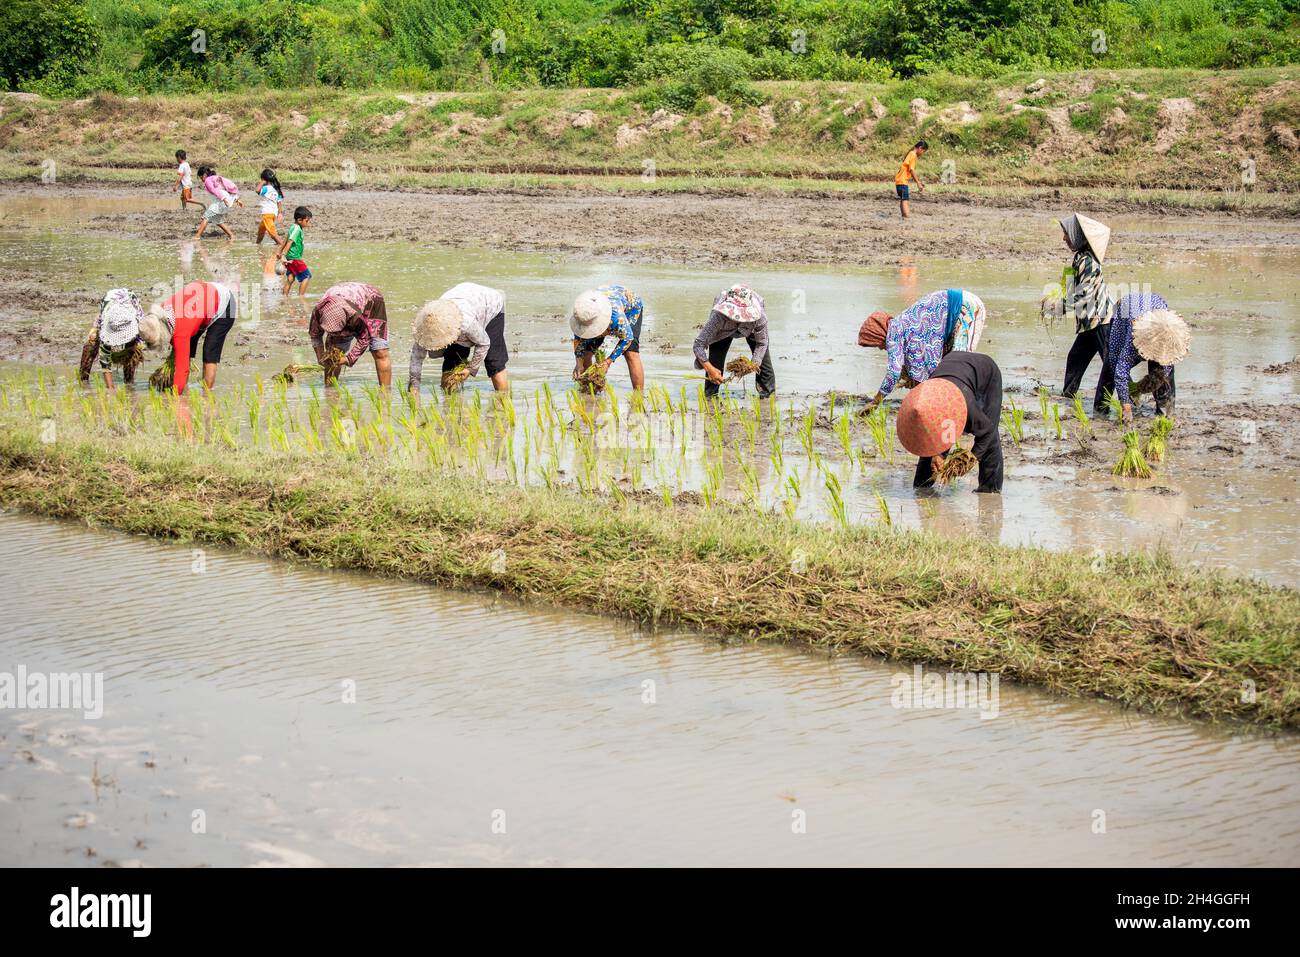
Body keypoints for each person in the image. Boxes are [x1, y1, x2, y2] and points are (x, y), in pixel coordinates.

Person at [859, 288, 987, 413]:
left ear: (879, 334)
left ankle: (971, 410)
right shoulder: (902, 325)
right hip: (960, 304)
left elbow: (893, 373)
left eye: (877, 344)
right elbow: (923, 362)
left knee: (961, 364)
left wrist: (875, 402)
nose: (881, 348)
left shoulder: (893, 335)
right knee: (953, 366)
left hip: (965, 307)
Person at [898, 351, 1004, 494]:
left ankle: (989, 489)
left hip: (986, 373)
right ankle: (922, 487)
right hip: (952, 368)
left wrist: (970, 458)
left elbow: (987, 431)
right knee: (929, 446)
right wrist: (937, 454)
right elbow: (931, 434)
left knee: (990, 439)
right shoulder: (924, 399)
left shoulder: (966, 405)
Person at [1052, 213, 1114, 407]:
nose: (1064, 238)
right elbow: (1068, 287)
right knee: (1076, 358)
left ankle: (1122, 400)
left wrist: (1060, 307)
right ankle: (1068, 397)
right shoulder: (1079, 258)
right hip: (1089, 321)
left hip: (1100, 320)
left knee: (1110, 364)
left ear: (1077, 235)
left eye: (1066, 234)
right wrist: (1057, 296)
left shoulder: (1087, 260)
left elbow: (1084, 294)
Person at [1101, 292, 1190, 422]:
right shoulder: (1132, 339)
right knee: (1112, 363)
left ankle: (1165, 413)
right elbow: (1121, 372)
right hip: (1125, 312)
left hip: (1157, 315)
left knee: (1163, 373)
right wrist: (1126, 405)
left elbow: (1164, 372)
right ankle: (1100, 409)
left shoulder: (1170, 337)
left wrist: (1146, 385)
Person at [408, 282, 509, 393]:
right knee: (452, 359)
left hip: (490, 305)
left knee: (493, 361)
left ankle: (503, 400)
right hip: (462, 301)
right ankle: (451, 403)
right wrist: (414, 388)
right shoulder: (425, 330)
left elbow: (484, 343)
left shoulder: (465, 323)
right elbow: (416, 360)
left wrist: (470, 369)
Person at [152, 280, 238, 395]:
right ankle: (187, 388)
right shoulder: (161, 312)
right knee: (186, 349)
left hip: (225, 305)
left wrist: (175, 399)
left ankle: (207, 395)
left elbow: (182, 369)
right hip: (201, 302)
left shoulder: (181, 332)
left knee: (209, 351)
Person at [693, 284, 775, 398]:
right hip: (722, 331)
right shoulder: (718, 316)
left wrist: (753, 365)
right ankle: (710, 398)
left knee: (764, 367)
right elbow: (698, 344)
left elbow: (762, 343)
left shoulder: (759, 317)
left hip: (751, 330)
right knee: (714, 364)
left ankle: (767, 397)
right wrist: (709, 368)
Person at [78, 289, 169, 388]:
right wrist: (110, 388)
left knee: (135, 352)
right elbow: (105, 365)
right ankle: (83, 380)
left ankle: (129, 382)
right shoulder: (105, 333)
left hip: (130, 304)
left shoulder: (138, 327)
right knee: (92, 342)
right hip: (110, 308)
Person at [309, 282, 391, 386]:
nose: (338, 334)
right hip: (340, 302)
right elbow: (315, 336)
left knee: (380, 351)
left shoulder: (355, 317)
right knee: (333, 355)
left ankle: (385, 393)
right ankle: (331, 392)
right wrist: (320, 357)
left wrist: (348, 359)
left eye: (339, 331)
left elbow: (365, 339)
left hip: (372, 303)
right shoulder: (318, 313)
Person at [569, 284, 645, 391]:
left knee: (630, 353)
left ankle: (638, 397)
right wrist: (578, 363)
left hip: (631, 308)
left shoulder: (616, 318)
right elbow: (578, 341)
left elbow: (628, 338)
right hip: (597, 308)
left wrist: (608, 362)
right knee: (586, 353)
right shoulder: (581, 316)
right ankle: (589, 390)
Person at [194, 165, 243, 240]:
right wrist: (236, 199)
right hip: (226, 200)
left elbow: (214, 190)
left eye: (201, 177)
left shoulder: (208, 180)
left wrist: (223, 199)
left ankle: (197, 236)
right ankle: (231, 236)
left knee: (206, 216)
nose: (201, 180)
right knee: (218, 221)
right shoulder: (216, 179)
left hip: (221, 201)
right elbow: (227, 189)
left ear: (204, 175)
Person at [276, 206, 312, 297]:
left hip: (289, 258)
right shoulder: (297, 229)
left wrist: (279, 252)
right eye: (307, 221)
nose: (308, 223)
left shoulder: (293, 227)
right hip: (295, 258)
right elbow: (289, 242)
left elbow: (285, 240)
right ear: (300, 220)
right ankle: (301, 297)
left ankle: (285, 297)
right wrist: (283, 254)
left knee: (290, 279)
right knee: (307, 276)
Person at [894, 140, 927, 218]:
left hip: (899, 181)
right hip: (902, 181)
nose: (922, 154)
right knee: (905, 200)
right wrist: (918, 183)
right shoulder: (913, 155)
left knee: (903, 200)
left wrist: (918, 181)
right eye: (923, 151)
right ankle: (906, 217)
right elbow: (911, 170)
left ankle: (903, 217)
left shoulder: (910, 154)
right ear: (920, 148)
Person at [254, 168, 284, 245]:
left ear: (264, 179)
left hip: (267, 214)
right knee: (261, 229)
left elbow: (257, 190)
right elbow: (279, 202)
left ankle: (281, 244)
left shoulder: (266, 188)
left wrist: (262, 182)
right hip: (273, 214)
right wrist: (280, 213)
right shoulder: (276, 189)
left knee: (272, 232)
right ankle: (258, 243)